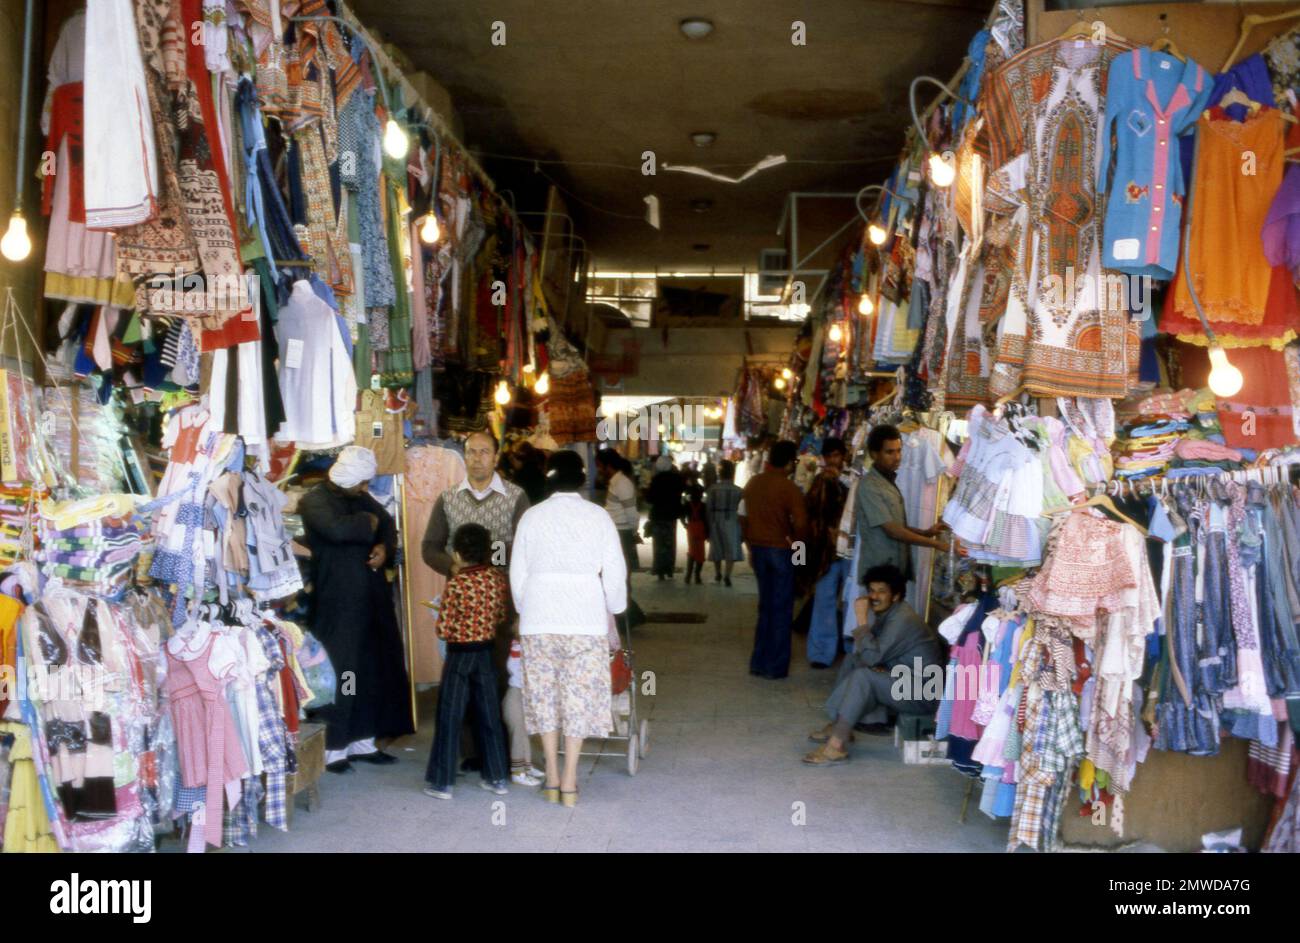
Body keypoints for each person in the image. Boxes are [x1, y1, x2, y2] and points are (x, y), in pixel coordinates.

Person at [510, 450, 627, 807]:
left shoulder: (532, 516)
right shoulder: (598, 517)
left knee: (543, 695)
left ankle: (552, 777)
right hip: (584, 617)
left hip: (539, 617)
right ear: (582, 478)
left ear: (548, 478)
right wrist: (616, 607)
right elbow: (615, 570)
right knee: (578, 697)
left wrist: (524, 608)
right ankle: (571, 780)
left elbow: (517, 572)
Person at [298, 446, 414, 772]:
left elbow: (388, 523)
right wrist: (367, 521)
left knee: (368, 668)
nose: (365, 490)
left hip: (370, 602)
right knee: (344, 671)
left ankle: (362, 740)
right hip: (339, 605)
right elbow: (336, 530)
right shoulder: (315, 500)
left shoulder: (357, 498)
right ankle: (336, 745)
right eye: (362, 484)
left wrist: (382, 546)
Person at [421, 429, 530, 771]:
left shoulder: (515, 496)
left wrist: (488, 565)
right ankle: (471, 752)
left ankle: (500, 751)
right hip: (463, 602)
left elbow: (525, 548)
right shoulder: (449, 498)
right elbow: (430, 547)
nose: (478, 458)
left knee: (499, 674)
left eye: (485, 452)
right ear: (464, 457)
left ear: (497, 457)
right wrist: (456, 567)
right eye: (471, 452)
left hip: (502, 602)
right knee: (461, 676)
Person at [803, 564, 942, 765]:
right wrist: (880, 664)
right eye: (871, 590)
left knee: (864, 675)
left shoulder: (903, 619)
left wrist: (861, 618)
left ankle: (836, 747)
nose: (874, 596)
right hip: (905, 679)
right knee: (853, 660)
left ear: (895, 596)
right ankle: (839, 725)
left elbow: (872, 657)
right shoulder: (889, 614)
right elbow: (870, 653)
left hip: (923, 693)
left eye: (882, 592)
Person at [423, 523, 512, 799]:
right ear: (487, 551)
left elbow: (444, 628)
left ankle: (442, 783)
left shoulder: (458, 583)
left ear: (458, 553)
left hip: (460, 655)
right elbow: (498, 616)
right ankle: (497, 777)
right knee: (490, 715)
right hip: (486, 653)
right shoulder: (496, 578)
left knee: (450, 715)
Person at [739, 440, 808, 679]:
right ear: (789, 462)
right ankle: (775, 667)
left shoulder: (753, 483)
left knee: (766, 607)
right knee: (781, 609)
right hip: (781, 550)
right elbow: (800, 525)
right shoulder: (789, 488)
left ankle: (758, 662)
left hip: (758, 549)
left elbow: (742, 517)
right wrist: (800, 555)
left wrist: (749, 544)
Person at [854, 424, 951, 589]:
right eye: (890, 452)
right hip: (879, 575)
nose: (897, 457)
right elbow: (892, 530)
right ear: (874, 454)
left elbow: (899, 526)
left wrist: (927, 533)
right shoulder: (869, 486)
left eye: (899, 450)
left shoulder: (888, 482)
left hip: (895, 570)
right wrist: (937, 544)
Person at [804, 437, 852, 669]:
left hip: (850, 549)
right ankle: (821, 653)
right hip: (826, 552)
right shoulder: (819, 482)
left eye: (837, 455)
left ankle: (853, 651)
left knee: (853, 601)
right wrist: (801, 557)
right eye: (829, 456)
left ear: (844, 456)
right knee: (824, 601)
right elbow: (809, 517)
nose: (834, 460)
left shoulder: (853, 478)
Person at [502, 628, 544, 785]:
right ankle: (518, 772)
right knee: (519, 732)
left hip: (522, 692)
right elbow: (515, 669)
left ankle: (527, 765)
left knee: (525, 731)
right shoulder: (519, 645)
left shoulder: (524, 644)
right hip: (517, 693)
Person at [645, 453, 685, 580]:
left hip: (658, 515)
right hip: (672, 515)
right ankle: (669, 569)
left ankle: (660, 571)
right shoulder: (677, 479)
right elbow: (681, 493)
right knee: (670, 542)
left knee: (659, 543)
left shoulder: (656, 480)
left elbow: (650, 498)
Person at [706, 459, 744, 586]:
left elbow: (708, 507)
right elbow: (742, 508)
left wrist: (708, 523)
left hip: (716, 519)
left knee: (716, 546)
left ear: (720, 474)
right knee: (731, 547)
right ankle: (727, 575)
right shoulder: (738, 490)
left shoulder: (712, 489)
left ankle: (718, 573)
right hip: (732, 519)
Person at [683, 482, 707, 585]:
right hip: (701, 528)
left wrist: (685, 524)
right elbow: (706, 519)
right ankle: (697, 575)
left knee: (692, 551)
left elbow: (681, 515)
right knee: (700, 553)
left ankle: (688, 575)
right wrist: (708, 531)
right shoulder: (704, 505)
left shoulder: (687, 504)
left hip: (691, 528)